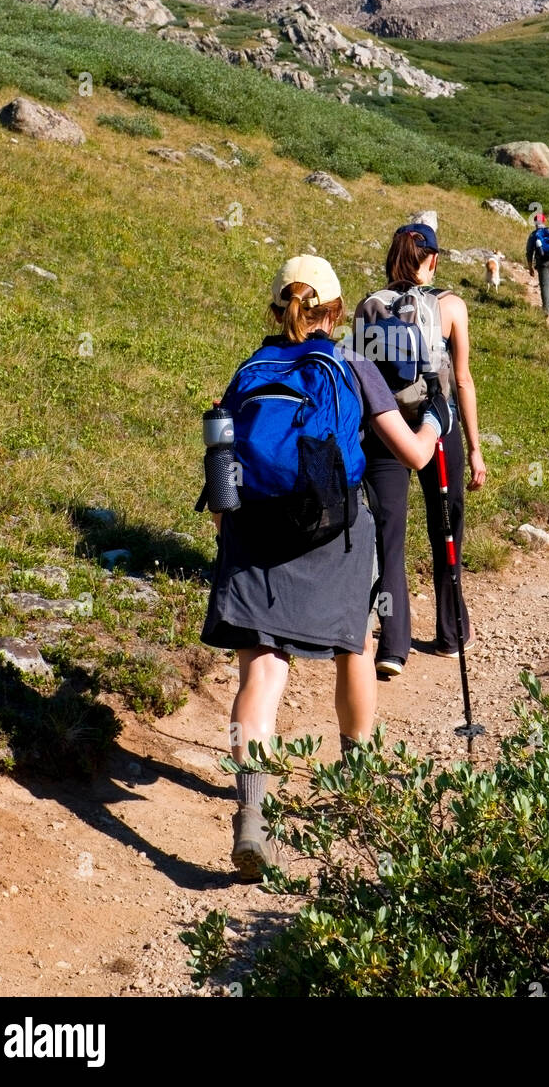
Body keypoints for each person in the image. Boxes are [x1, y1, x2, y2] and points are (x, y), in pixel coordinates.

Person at [200, 255, 452, 879]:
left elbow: (223, 459)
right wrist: (440, 415)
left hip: (255, 533)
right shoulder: (354, 366)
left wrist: (231, 533)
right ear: (336, 312)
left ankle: (252, 817)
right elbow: (416, 456)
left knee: (260, 675)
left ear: (277, 306)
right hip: (334, 534)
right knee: (354, 649)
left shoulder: (248, 371)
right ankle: (357, 784)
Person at [356, 224, 486, 678]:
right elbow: (463, 380)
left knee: (389, 532)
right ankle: (451, 633)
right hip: (437, 422)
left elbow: (362, 374)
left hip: (383, 427)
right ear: (431, 259)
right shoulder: (451, 306)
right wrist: (474, 450)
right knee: (446, 525)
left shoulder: (368, 305)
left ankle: (391, 646)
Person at [525, 212, 549, 316]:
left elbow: (529, 252)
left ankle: (546, 308)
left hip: (542, 262)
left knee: (544, 284)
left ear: (535, 223)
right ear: (544, 221)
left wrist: (530, 267)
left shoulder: (533, 235)